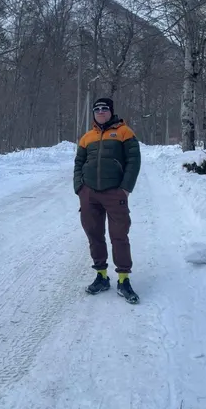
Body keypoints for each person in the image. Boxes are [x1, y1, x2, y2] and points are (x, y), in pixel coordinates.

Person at [73, 97, 141, 304]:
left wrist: (125, 189)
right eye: (97, 109)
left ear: (111, 111)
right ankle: (101, 276)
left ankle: (123, 280)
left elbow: (134, 161)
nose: (100, 112)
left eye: (104, 109)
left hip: (114, 193)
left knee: (119, 235)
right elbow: (78, 163)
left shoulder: (124, 132)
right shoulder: (87, 137)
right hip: (89, 194)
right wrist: (80, 188)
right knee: (94, 234)